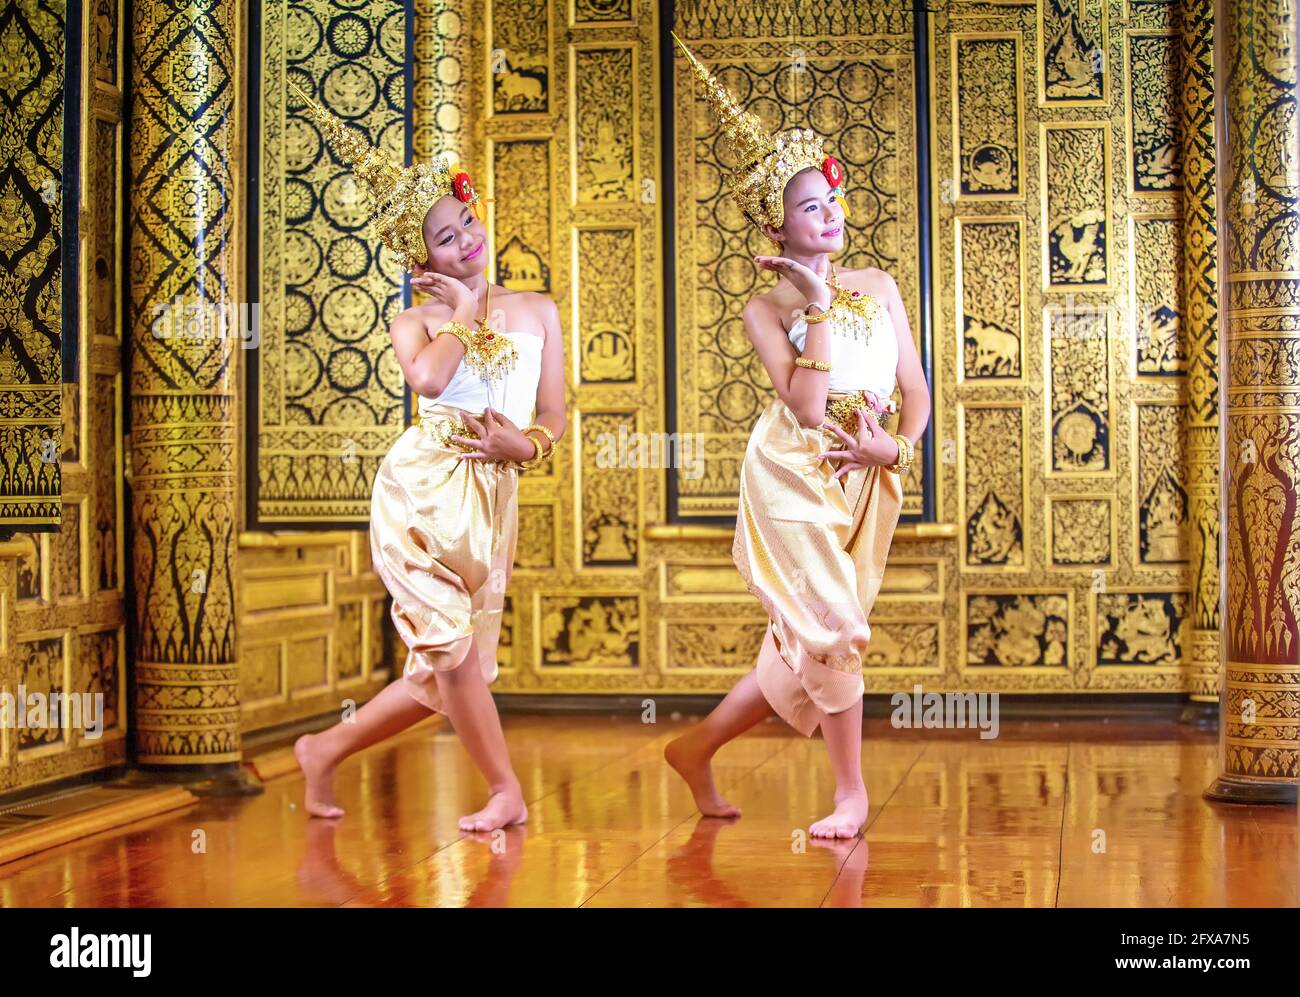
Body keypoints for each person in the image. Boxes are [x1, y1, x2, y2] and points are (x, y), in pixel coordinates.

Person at [663, 35, 931, 839]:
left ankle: (695, 748)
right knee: (838, 628)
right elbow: (810, 408)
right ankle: (851, 791)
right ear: (776, 226)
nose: (831, 212)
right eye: (811, 205)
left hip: (869, 473)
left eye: (833, 199)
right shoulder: (767, 308)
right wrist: (812, 303)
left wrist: (898, 451)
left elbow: (913, 392)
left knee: (808, 639)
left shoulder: (880, 285)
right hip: (792, 470)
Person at [287, 83, 566, 832]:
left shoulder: (538, 309)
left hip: (493, 494)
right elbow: (432, 379)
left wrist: (526, 446)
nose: (468, 239)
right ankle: (505, 788)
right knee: (451, 655)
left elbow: (554, 412)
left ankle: (324, 748)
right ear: (422, 258)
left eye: (467, 221)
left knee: (446, 674)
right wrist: (467, 311)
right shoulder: (414, 321)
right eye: (446, 237)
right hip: (423, 494)